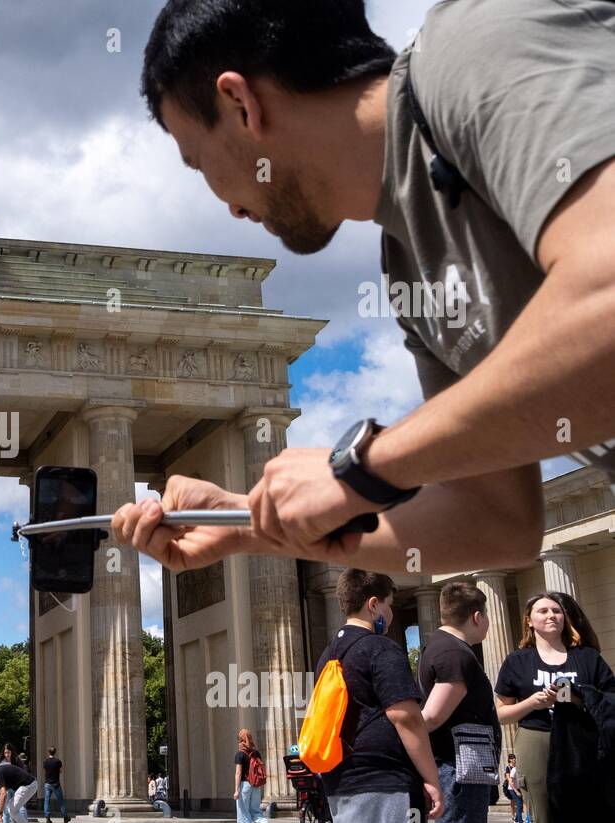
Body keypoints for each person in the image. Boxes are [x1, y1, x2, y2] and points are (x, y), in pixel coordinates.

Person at [120, 0, 615, 593]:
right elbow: (496, 522)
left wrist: (356, 469)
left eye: (198, 161)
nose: (226, 203)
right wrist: (250, 523)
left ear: (240, 103)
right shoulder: (407, 262)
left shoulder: (478, 43)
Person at [313, 570, 443, 823]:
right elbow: (405, 717)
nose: (391, 612)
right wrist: (431, 778)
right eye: (389, 604)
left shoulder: (329, 654)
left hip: (342, 780)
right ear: (374, 604)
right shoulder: (380, 648)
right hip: (387, 784)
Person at [494, 591, 615, 823]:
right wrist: (532, 702)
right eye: (543, 611)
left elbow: (610, 698)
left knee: (594, 820)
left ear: (565, 618)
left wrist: (578, 696)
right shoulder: (517, 661)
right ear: (529, 621)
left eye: (556, 611)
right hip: (538, 738)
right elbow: (501, 714)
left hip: (582, 741)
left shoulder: (588, 658)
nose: (551, 616)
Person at [419, 582, 499, 823]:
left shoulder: (440, 646)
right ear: (477, 616)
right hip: (459, 769)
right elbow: (430, 717)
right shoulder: (456, 654)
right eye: (487, 615)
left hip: (458, 768)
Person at [233, 729, 272, 823]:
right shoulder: (256, 753)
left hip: (245, 785)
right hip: (255, 785)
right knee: (256, 811)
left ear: (241, 740)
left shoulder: (240, 754)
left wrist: (236, 789)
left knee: (243, 813)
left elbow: (238, 773)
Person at [43, 747, 69, 823]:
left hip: (47, 783)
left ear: (49, 752)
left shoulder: (46, 762)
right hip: (56, 783)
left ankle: (47, 816)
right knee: (60, 800)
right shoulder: (58, 761)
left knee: (46, 801)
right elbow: (60, 770)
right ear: (55, 752)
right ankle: (65, 816)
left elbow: (45, 770)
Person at [504, 754, 524, 823]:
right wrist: (515, 789)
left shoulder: (517, 767)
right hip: (511, 787)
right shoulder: (508, 767)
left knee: (519, 802)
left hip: (517, 786)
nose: (514, 759)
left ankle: (516, 819)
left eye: (514, 758)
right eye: (512, 758)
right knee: (514, 802)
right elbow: (509, 778)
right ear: (509, 759)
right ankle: (516, 818)